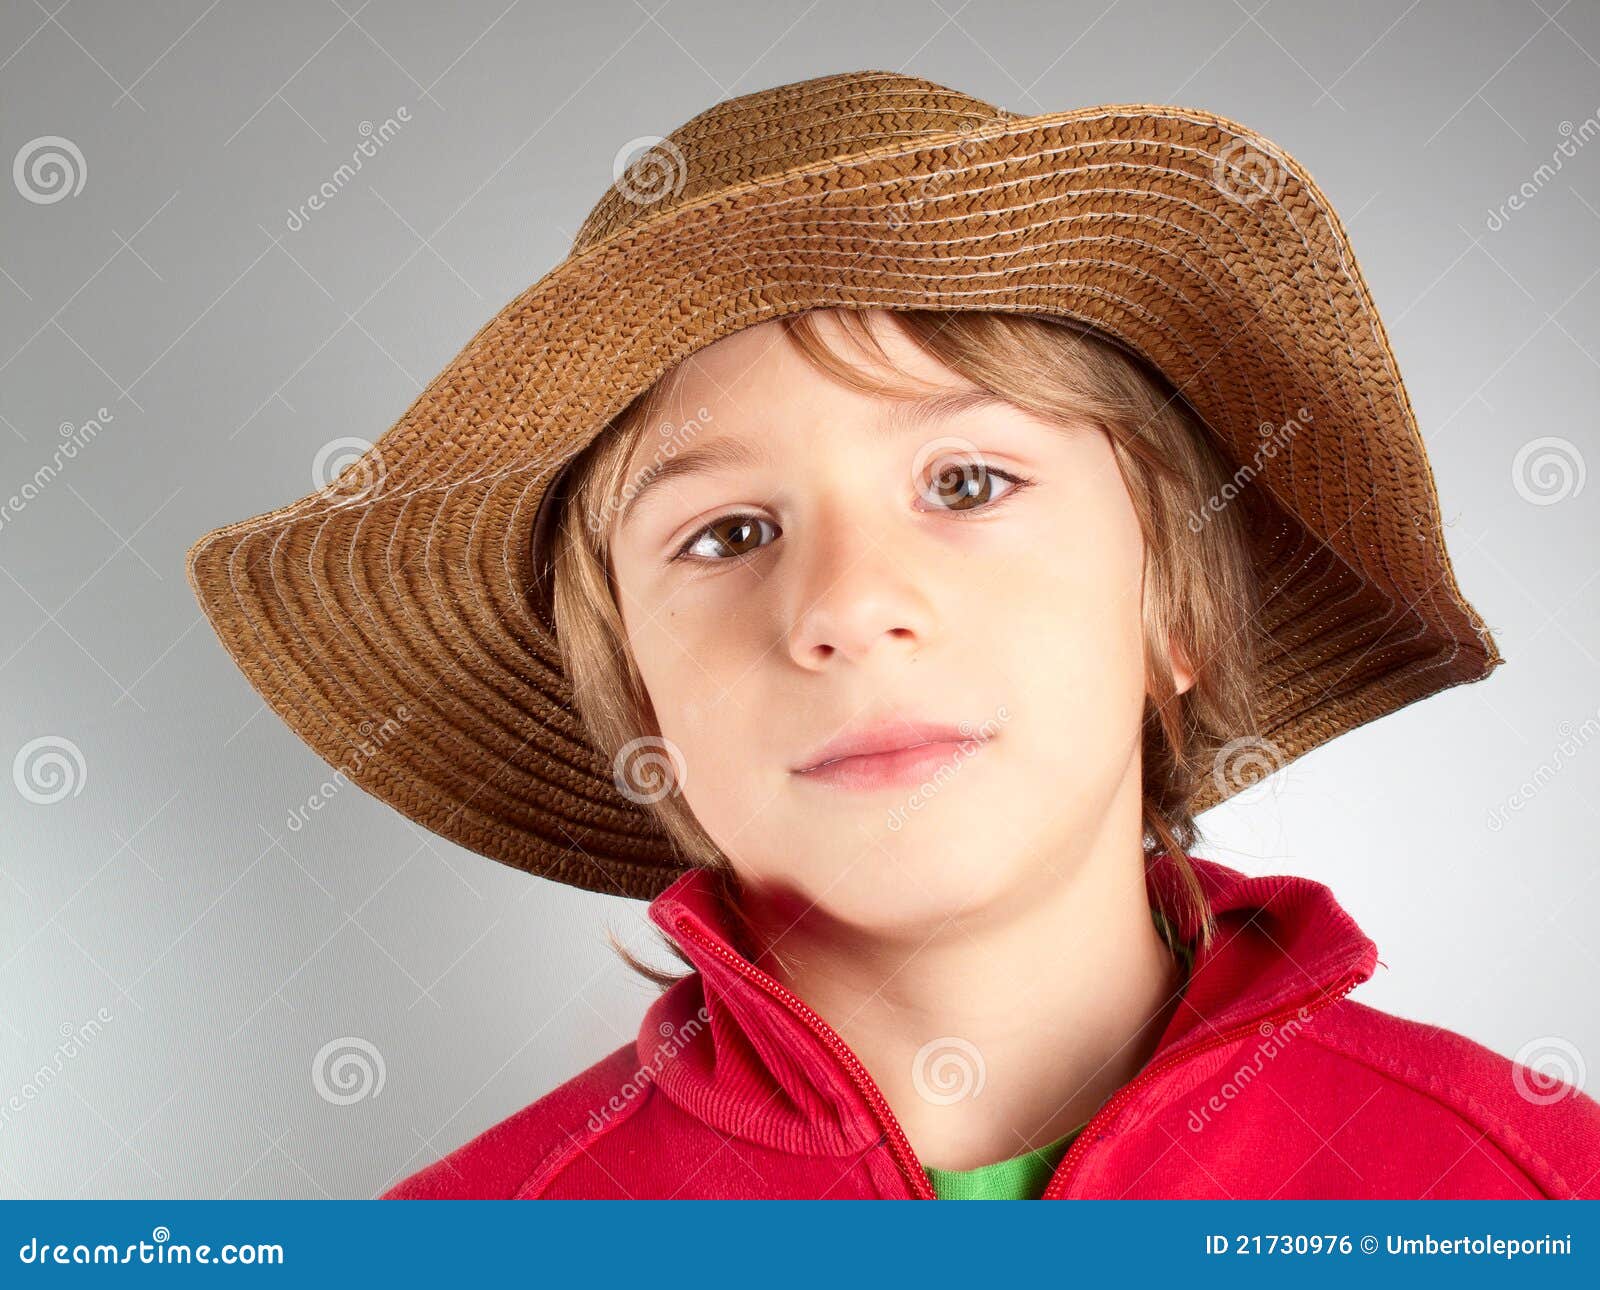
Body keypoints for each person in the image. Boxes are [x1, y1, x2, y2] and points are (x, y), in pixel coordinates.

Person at [187, 70, 1600, 1199]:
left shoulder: (1532, 1193)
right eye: (728, 533)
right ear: (641, 704)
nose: (846, 607)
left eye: (967, 483)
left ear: (1170, 604)